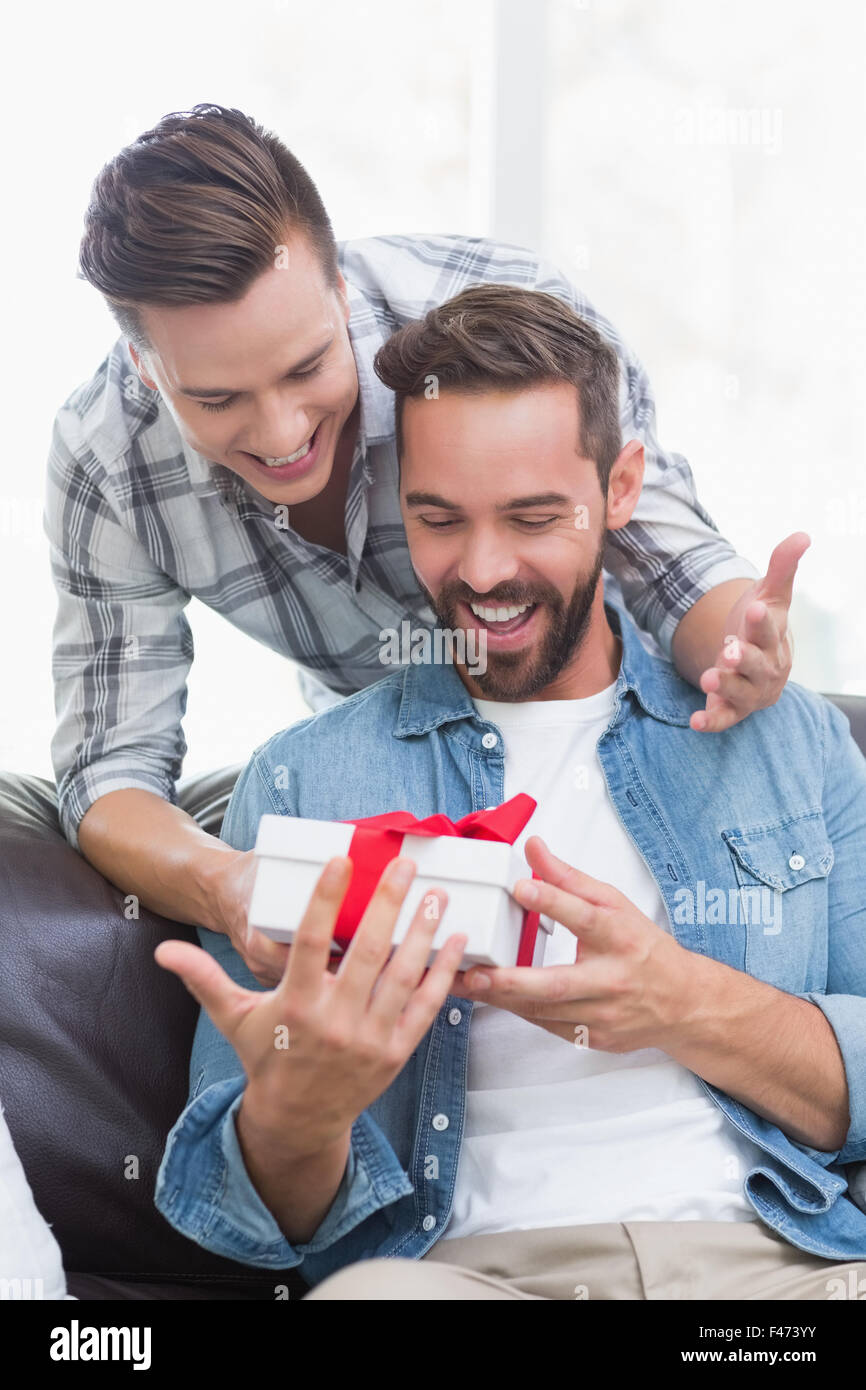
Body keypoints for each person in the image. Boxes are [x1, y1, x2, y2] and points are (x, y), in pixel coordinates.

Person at [153, 285, 866, 1301]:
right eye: (437, 518)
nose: (482, 571)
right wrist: (298, 1116)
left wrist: (681, 1001)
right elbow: (246, 1215)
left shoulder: (781, 739)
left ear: (620, 488)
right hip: (473, 1281)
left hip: (774, 1280)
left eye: (532, 518)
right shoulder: (306, 779)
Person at [44, 103, 806, 992]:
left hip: (602, 743)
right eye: (218, 401)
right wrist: (231, 885)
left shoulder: (493, 311)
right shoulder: (108, 461)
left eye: (305, 368)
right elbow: (110, 774)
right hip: (389, 786)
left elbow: (666, 563)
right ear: (146, 369)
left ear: (336, 292)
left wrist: (741, 649)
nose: (282, 432)